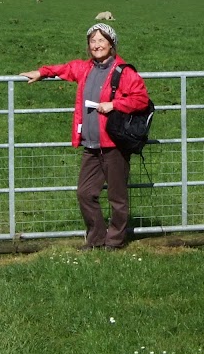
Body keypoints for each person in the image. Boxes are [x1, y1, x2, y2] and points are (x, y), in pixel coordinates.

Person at [19, 22, 150, 249]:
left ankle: (115, 242)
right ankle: (96, 238)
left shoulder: (124, 72)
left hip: (114, 145)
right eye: (92, 41)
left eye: (101, 40)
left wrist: (114, 104)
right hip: (91, 145)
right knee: (85, 193)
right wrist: (42, 72)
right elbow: (66, 68)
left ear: (111, 44)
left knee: (117, 198)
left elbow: (141, 99)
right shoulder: (85, 68)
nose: (96, 45)